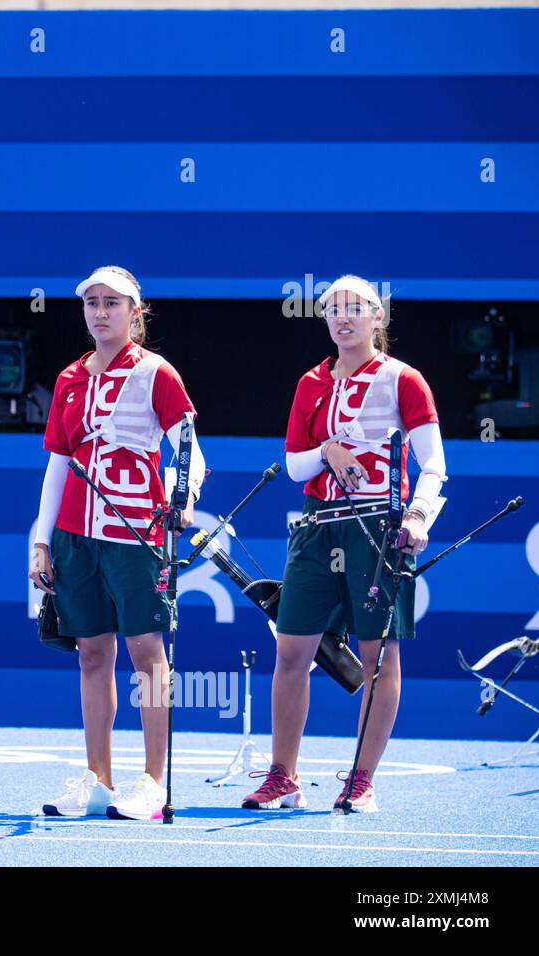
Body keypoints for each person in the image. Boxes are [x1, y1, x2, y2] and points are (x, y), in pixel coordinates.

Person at [242, 275, 446, 813]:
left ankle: (361, 779)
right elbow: (291, 466)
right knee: (291, 650)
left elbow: (434, 467)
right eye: (334, 309)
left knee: (378, 656)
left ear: (378, 317)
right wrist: (329, 450)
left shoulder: (405, 380)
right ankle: (282, 777)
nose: (343, 317)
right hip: (317, 524)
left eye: (356, 308)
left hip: (379, 526)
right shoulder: (310, 382)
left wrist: (420, 515)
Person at [30, 266, 205, 820]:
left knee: (147, 654)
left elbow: (192, 452)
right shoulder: (68, 379)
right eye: (92, 303)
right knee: (91, 655)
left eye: (112, 303)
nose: (100, 312)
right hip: (74, 536)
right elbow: (57, 465)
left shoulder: (157, 373)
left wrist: (187, 493)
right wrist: (41, 542)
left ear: (135, 311)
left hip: (137, 532)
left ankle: (154, 782)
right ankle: (98, 779)